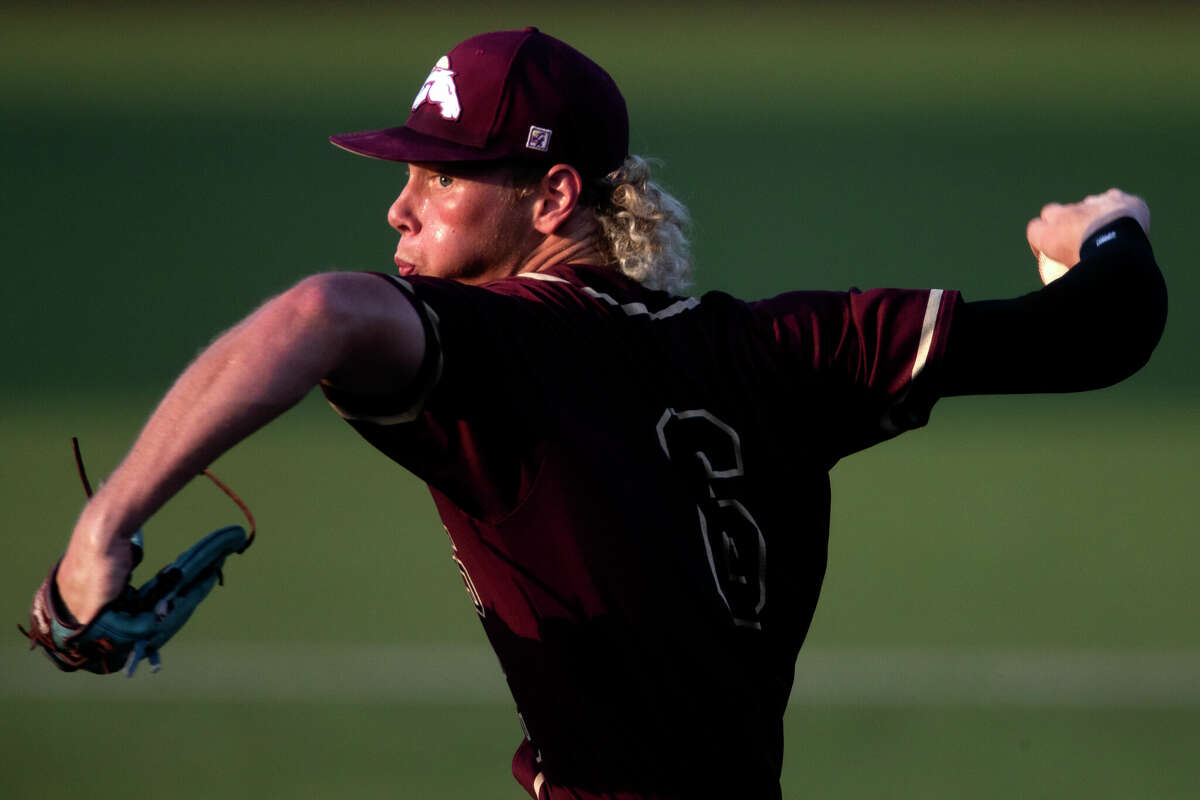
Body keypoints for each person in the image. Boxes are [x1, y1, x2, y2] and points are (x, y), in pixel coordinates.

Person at [44, 27, 1166, 800]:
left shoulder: (497, 347)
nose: (401, 205)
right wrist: (1105, 229)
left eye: (443, 178)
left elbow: (321, 311)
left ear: (555, 195)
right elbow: (1103, 331)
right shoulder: (784, 348)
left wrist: (105, 526)